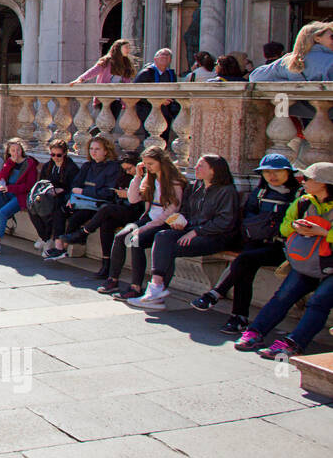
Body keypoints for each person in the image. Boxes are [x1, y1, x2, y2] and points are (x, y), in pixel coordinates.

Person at [234, 162, 333, 358]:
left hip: (331, 264)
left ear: (324, 183)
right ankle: (256, 331)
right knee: (283, 295)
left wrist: (323, 232)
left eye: (308, 178)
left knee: (319, 301)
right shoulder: (303, 202)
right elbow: (284, 228)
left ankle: (293, 343)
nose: (302, 181)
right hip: (306, 261)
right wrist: (297, 227)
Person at [193, 153, 300, 334]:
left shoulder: (298, 194)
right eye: (266, 173)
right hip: (256, 241)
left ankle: (217, 294)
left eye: (277, 172)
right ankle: (238, 317)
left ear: (288, 173)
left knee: (244, 260)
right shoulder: (260, 192)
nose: (272, 177)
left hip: (282, 247)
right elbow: (249, 216)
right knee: (245, 265)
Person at [127, 154, 240, 310]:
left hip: (213, 236)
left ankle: (156, 292)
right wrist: (179, 220)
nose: (196, 168)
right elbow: (185, 210)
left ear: (214, 170)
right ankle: (156, 288)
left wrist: (197, 232)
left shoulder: (226, 191)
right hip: (190, 230)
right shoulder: (196, 186)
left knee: (166, 249)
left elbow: (224, 222)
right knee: (162, 237)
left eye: (201, 166)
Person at [96, 147, 186, 297]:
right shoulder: (149, 178)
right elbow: (133, 199)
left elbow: (172, 209)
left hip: (164, 222)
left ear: (161, 162)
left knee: (136, 240)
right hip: (148, 218)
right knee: (120, 237)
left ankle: (136, 287)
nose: (148, 167)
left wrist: (147, 227)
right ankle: (113, 279)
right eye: (145, 164)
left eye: (150, 163)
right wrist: (137, 177)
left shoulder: (174, 182)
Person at [43, 135, 122, 260]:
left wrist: (84, 191)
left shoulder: (113, 167)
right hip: (80, 201)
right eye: (91, 149)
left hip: (97, 205)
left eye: (97, 149)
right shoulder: (87, 165)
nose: (93, 152)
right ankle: (58, 246)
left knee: (76, 218)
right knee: (60, 211)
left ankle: (63, 247)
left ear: (106, 151)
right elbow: (75, 185)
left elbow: (107, 192)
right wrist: (72, 197)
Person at [0, 137, 38, 256]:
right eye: (13, 150)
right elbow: (2, 176)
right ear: (9, 151)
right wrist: (10, 163)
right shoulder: (9, 161)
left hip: (20, 196)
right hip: (7, 193)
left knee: (2, 212)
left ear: (22, 150)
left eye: (18, 150)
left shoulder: (29, 164)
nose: (15, 153)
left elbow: (29, 185)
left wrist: (10, 188)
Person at [27, 137, 81, 247]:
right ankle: (44, 236)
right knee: (32, 205)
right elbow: (42, 182)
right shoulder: (48, 166)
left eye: (59, 155)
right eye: (53, 155)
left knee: (54, 208)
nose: (55, 158)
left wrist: (61, 190)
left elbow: (73, 186)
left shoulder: (71, 167)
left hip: (64, 196)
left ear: (65, 153)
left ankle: (48, 238)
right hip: (48, 194)